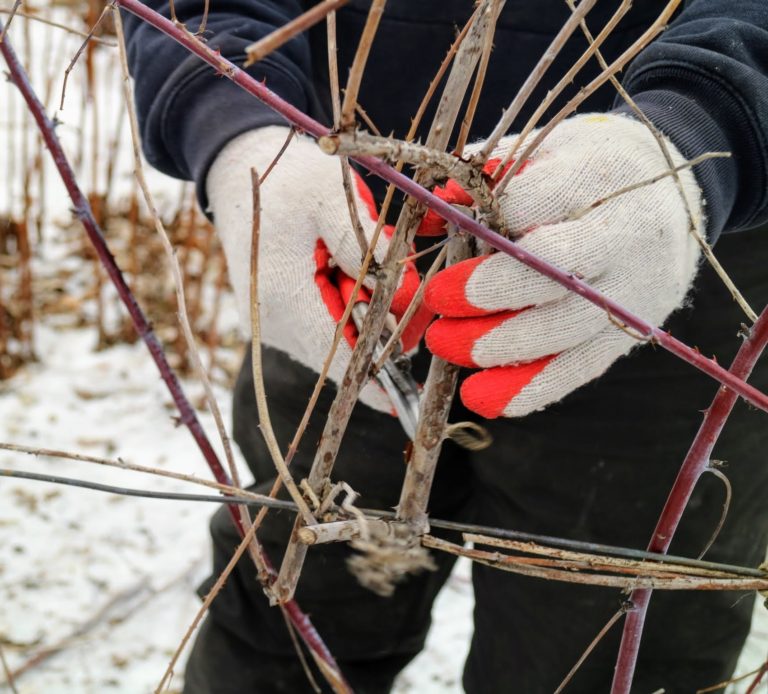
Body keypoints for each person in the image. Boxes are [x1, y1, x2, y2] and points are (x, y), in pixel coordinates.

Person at [124, 2, 768, 692]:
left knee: (614, 653)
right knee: (282, 625)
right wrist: (237, 130)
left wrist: (701, 124)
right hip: (340, 235)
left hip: (664, 252)